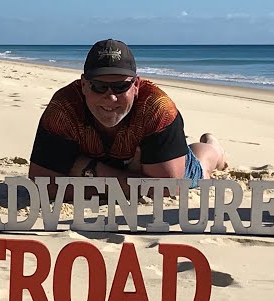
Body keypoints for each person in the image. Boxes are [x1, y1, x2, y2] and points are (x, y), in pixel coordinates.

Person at [27, 39, 227, 199]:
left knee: (201, 169)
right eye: (99, 86)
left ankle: (214, 148)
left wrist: (92, 170)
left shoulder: (157, 108)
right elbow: (42, 185)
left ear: (136, 85)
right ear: (84, 85)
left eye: (121, 87)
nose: (111, 97)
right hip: (131, 164)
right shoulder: (64, 108)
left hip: (138, 160)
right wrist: (130, 181)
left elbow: (169, 189)